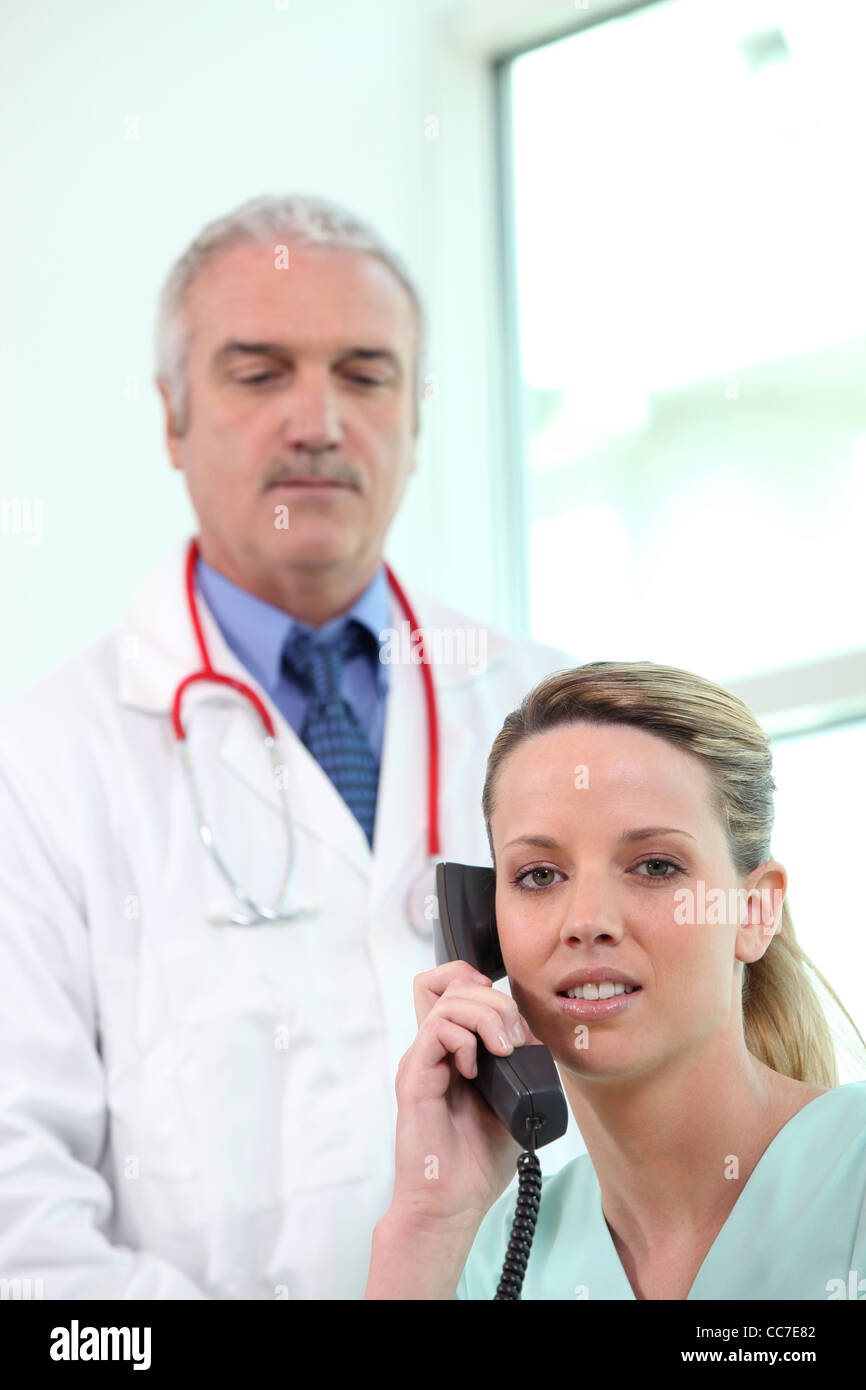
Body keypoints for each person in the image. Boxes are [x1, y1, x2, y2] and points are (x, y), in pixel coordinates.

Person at [0, 194, 579, 1300]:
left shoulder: (548, 707)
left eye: (364, 374)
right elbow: (20, 1219)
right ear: (171, 417)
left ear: (414, 414)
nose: (317, 420)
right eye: (258, 372)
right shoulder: (37, 768)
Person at [365, 661, 866, 1300]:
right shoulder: (489, 1259)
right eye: (540, 875)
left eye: (655, 866)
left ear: (755, 909)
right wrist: (426, 1228)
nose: (587, 922)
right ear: (486, 928)